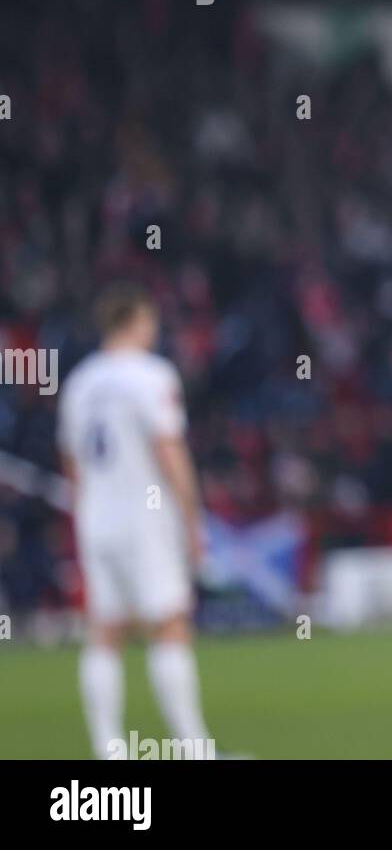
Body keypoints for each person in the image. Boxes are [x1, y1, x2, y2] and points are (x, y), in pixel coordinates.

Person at [57, 284, 213, 759]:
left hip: (95, 519)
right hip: (145, 520)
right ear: (136, 320)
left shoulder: (80, 382)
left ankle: (109, 751)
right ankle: (193, 749)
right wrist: (192, 518)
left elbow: (71, 460)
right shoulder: (151, 376)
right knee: (169, 624)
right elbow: (169, 450)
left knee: (105, 630)